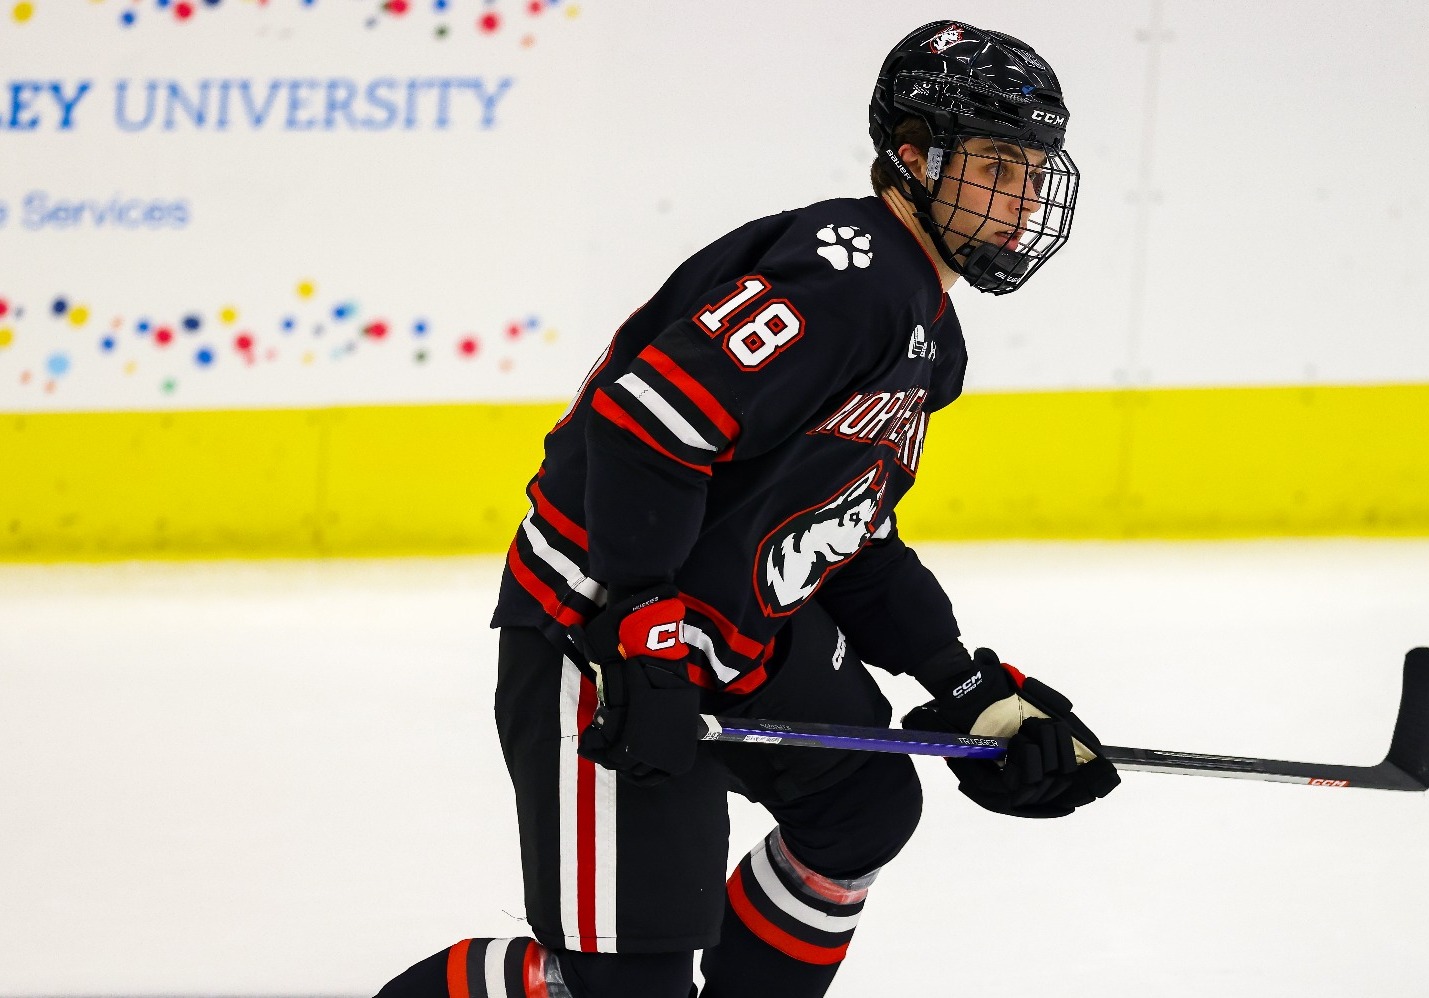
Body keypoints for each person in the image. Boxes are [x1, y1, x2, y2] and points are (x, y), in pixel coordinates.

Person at [378, 20, 1119, 998]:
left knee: (862, 804)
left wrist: (966, 680)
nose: (1019, 198)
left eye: (1033, 171)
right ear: (912, 155)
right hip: (598, 633)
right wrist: (640, 620)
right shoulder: (845, 274)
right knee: (624, 983)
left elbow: (848, 535)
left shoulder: (930, 337)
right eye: (993, 164)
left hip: (725, 630)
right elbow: (646, 421)